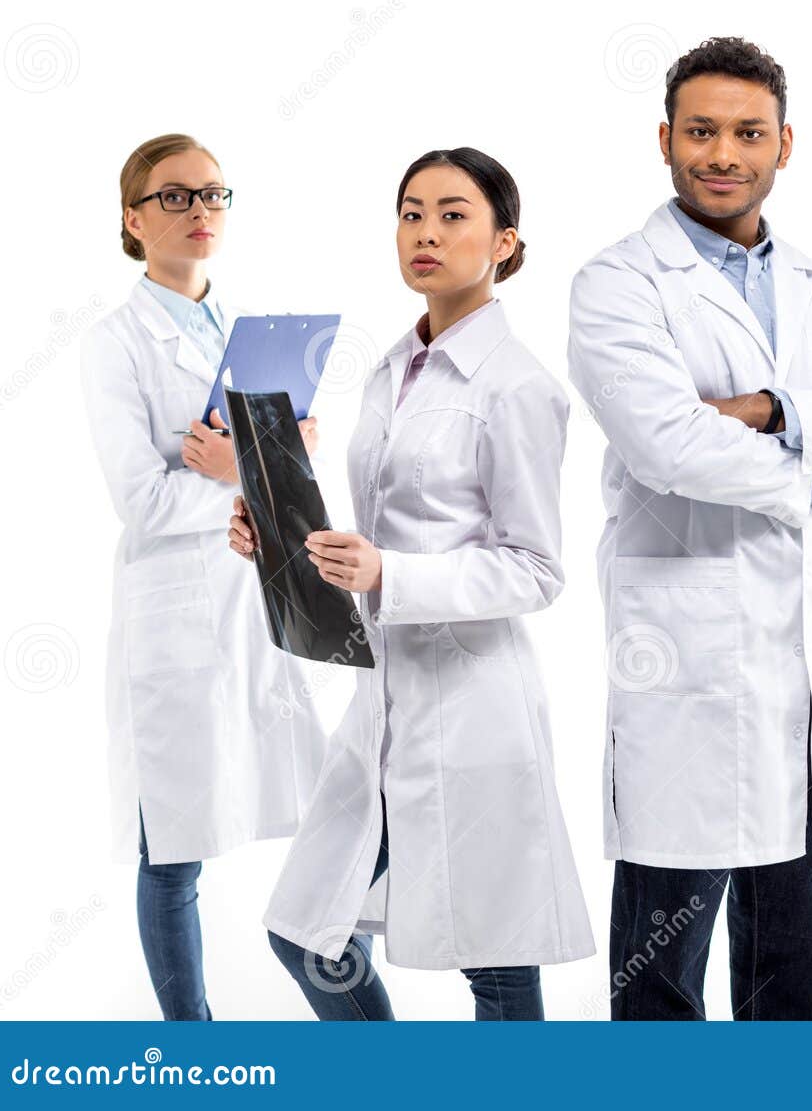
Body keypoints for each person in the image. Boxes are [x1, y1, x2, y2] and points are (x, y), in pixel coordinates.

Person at [567, 36, 812, 1020]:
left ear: (784, 144)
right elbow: (668, 447)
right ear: (664, 140)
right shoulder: (618, 283)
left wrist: (769, 410)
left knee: (798, 989)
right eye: (701, 131)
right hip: (685, 679)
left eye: (746, 132)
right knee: (660, 995)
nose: (722, 153)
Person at [231, 147, 594, 1020]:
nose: (426, 232)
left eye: (454, 214)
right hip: (385, 700)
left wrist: (393, 573)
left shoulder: (518, 387)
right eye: (411, 212)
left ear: (505, 242)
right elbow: (369, 533)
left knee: (495, 961)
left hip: (475, 704)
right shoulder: (394, 370)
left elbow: (538, 569)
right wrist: (279, 541)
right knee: (304, 931)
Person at [80, 133, 327, 1019]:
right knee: (174, 845)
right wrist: (233, 477)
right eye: (177, 196)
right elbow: (143, 499)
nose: (200, 211)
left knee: (327, 808)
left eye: (216, 195)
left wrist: (262, 464)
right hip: (176, 612)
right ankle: (194, 1045)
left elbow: (285, 465)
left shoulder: (251, 335)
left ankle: (347, 998)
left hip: (258, 604)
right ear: (133, 218)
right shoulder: (115, 344)